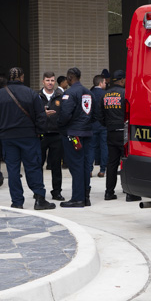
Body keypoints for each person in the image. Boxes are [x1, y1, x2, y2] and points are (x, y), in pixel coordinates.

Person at [0, 68, 54, 209]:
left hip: (7, 137)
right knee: (33, 167)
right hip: (29, 136)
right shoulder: (31, 94)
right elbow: (41, 116)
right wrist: (39, 132)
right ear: (22, 78)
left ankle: (17, 202)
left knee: (13, 170)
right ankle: (39, 198)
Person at [57, 66, 94, 207]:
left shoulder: (70, 93)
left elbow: (65, 114)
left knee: (76, 165)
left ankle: (78, 198)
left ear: (70, 78)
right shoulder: (88, 92)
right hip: (87, 133)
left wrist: (60, 126)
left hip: (73, 134)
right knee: (85, 165)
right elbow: (94, 113)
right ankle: (85, 196)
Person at [101, 70, 131, 200]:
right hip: (124, 132)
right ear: (123, 80)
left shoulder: (105, 95)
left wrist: (108, 125)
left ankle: (109, 192)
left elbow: (100, 115)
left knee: (111, 163)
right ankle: (130, 193)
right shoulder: (125, 94)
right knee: (127, 162)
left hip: (111, 132)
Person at [38, 71, 65, 201]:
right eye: (47, 80)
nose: (50, 83)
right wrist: (43, 114)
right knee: (38, 164)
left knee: (56, 165)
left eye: (52, 80)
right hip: (41, 135)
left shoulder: (61, 96)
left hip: (56, 135)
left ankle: (57, 192)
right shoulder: (36, 96)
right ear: (43, 81)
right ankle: (38, 191)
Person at [89, 72, 110, 178]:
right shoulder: (105, 94)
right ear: (101, 83)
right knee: (104, 147)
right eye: (105, 82)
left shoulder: (89, 94)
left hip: (92, 124)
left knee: (91, 147)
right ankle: (102, 170)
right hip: (103, 125)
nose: (106, 84)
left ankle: (89, 170)